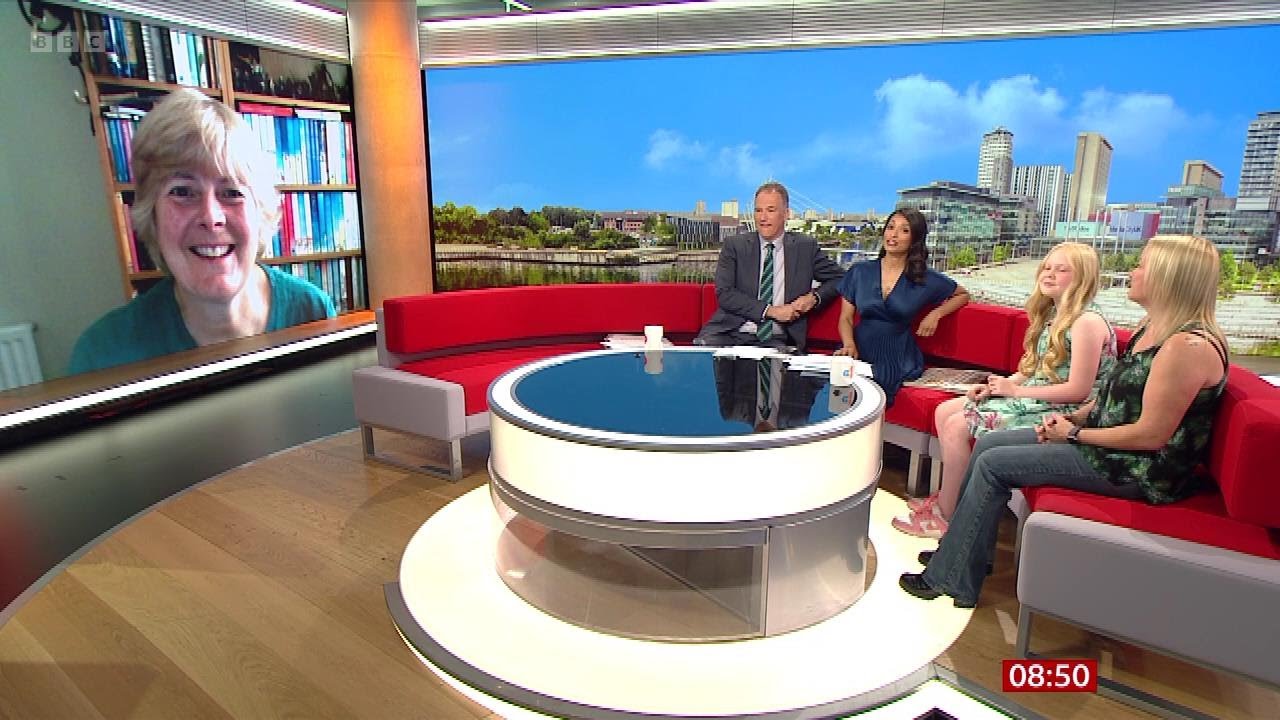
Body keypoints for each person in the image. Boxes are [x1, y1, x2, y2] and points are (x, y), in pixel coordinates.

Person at [900, 235, 1229, 608]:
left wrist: (1073, 433)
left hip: (1137, 469)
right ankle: (963, 553)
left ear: (1170, 278)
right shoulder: (1153, 329)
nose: (1133, 272)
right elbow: (1111, 399)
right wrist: (1070, 419)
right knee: (990, 444)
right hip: (1105, 445)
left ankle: (951, 577)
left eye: (1142, 266)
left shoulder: (1187, 347)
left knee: (993, 463)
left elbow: (1151, 436)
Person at [68, 89, 335, 375]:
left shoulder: (311, 312)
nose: (211, 217)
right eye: (182, 192)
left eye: (231, 192)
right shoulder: (102, 354)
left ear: (260, 213)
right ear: (152, 214)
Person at [893, 242, 1116, 538]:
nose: (1049, 274)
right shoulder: (1054, 314)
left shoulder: (1087, 321)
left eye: (1062, 270)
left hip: (1068, 412)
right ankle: (952, 498)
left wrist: (1015, 392)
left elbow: (1078, 390)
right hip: (1041, 397)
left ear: (1083, 278)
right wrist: (994, 387)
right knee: (945, 409)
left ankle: (948, 515)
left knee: (958, 424)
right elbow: (1031, 371)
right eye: (1047, 267)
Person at [832, 208, 969, 405]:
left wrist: (936, 314)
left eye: (904, 230)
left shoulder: (924, 278)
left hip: (897, 354)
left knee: (873, 399)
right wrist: (848, 343)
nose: (893, 235)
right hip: (858, 346)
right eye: (890, 228)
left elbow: (962, 295)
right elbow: (845, 318)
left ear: (915, 239)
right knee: (839, 398)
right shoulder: (860, 271)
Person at [695, 181, 844, 353]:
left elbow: (840, 278)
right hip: (729, 333)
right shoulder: (735, 246)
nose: (762, 217)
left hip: (776, 340)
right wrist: (771, 311)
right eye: (758, 211)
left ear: (786, 214)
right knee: (701, 360)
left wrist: (814, 298)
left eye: (770, 210)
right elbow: (725, 294)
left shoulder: (805, 248)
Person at [713, 356, 825, 432]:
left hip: (748, 337)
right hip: (788, 341)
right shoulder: (796, 418)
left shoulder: (733, 410)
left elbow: (722, 366)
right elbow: (814, 382)